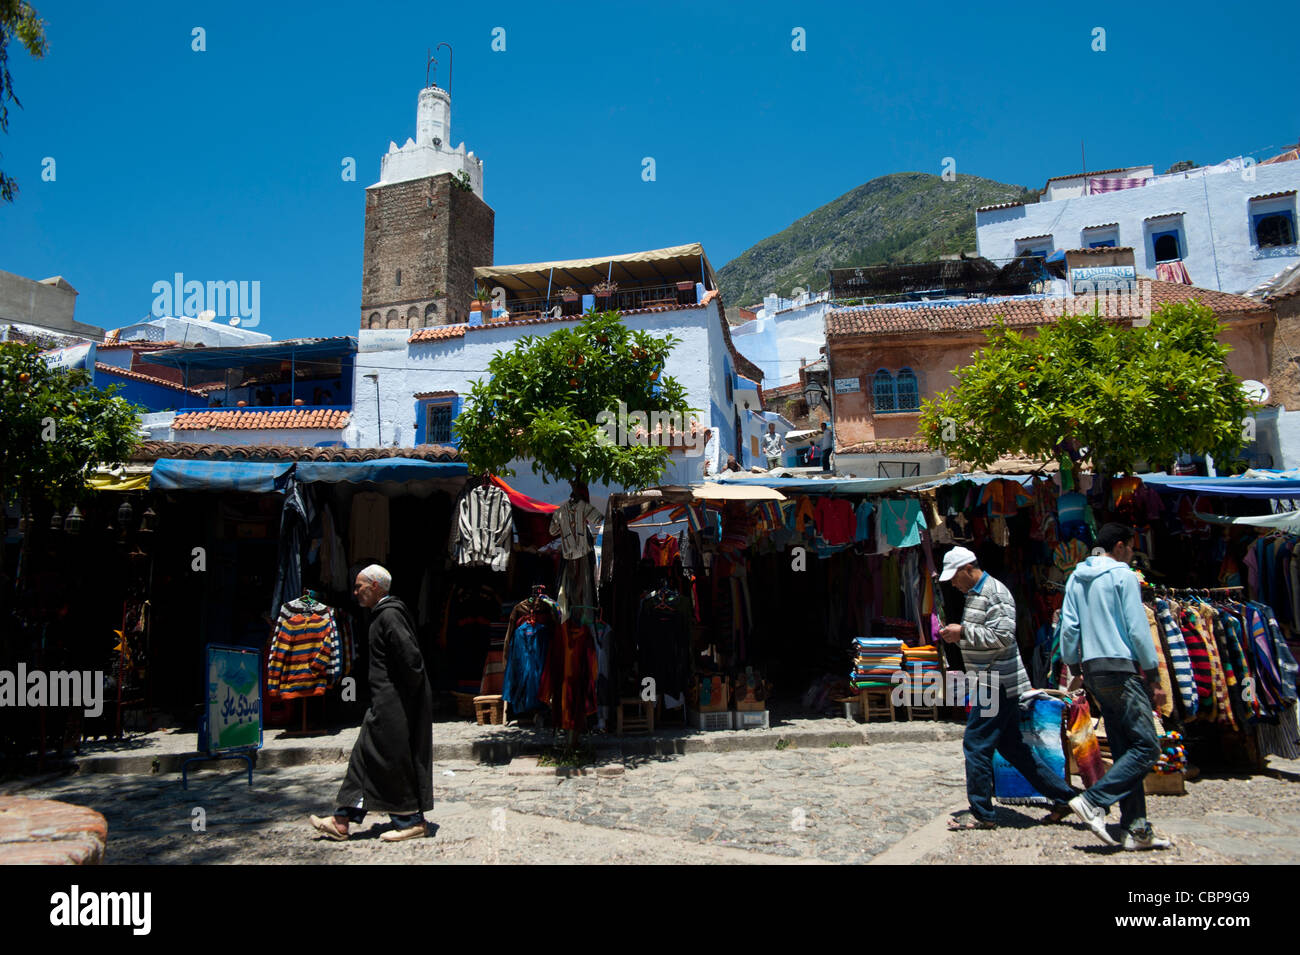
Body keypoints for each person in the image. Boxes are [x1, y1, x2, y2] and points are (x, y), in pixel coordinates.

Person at [939, 546, 1078, 830]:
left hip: (996, 682)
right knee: (1014, 748)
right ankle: (1066, 798)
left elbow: (1002, 636)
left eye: (954, 577)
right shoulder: (976, 594)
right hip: (993, 681)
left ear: (968, 569)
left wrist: (962, 632)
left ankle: (982, 814)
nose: (952, 583)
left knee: (975, 745)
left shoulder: (994, 592)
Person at [1059, 523, 1173, 850]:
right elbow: (1137, 629)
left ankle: (1136, 829)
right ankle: (1094, 800)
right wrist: (1152, 675)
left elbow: (1069, 628)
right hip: (1121, 668)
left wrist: (1075, 667)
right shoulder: (1123, 575)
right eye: (1131, 547)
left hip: (1093, 669)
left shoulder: (1076, 577)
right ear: (1120, 546)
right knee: (1148, 746)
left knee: (1125, 746)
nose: (1132, 553)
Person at [310, 565, 434, 842]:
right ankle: (341, 821)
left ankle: (411, 822)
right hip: (385, 700)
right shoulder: (382, 616)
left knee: (390, 759)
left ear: (376, 586)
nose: (355, 592)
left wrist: (404, 703)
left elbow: (412, 661)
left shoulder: (389, 616)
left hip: (395, 704)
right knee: (365, 756)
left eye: (359, 586)